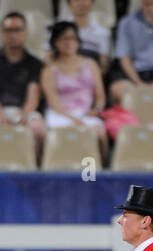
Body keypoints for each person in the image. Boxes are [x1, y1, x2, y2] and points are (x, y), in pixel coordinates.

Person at [0, 13, 47, 162]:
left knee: (38, 129)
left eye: (17, 30)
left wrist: (23, 116)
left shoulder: (35, 63)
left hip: (25, 111)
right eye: (8, 30)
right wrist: (1, 116)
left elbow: (33, 95)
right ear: (2, 33)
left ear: (25, 32)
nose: (13, 35)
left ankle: (38, 173)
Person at [42, 21, 108, 158]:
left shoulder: (91, 64)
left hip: (86, 113)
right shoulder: (49, 70)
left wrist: (96, 109)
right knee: (69, 131)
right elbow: (54, 103)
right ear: (55, 42)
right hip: (60, 114)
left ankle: (101, 169)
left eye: (72, 38)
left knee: (99, 132)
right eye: (63, 39)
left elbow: (100, 95)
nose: (68, 43)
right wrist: (75, 121)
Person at [57, 0, 112, 71]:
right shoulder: (57, 27)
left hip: (91, 75)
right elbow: (49, 57)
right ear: (69, 3)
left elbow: (103, 63)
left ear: (92, 2)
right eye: (77, 0)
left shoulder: (103, 32)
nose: (81, 3)